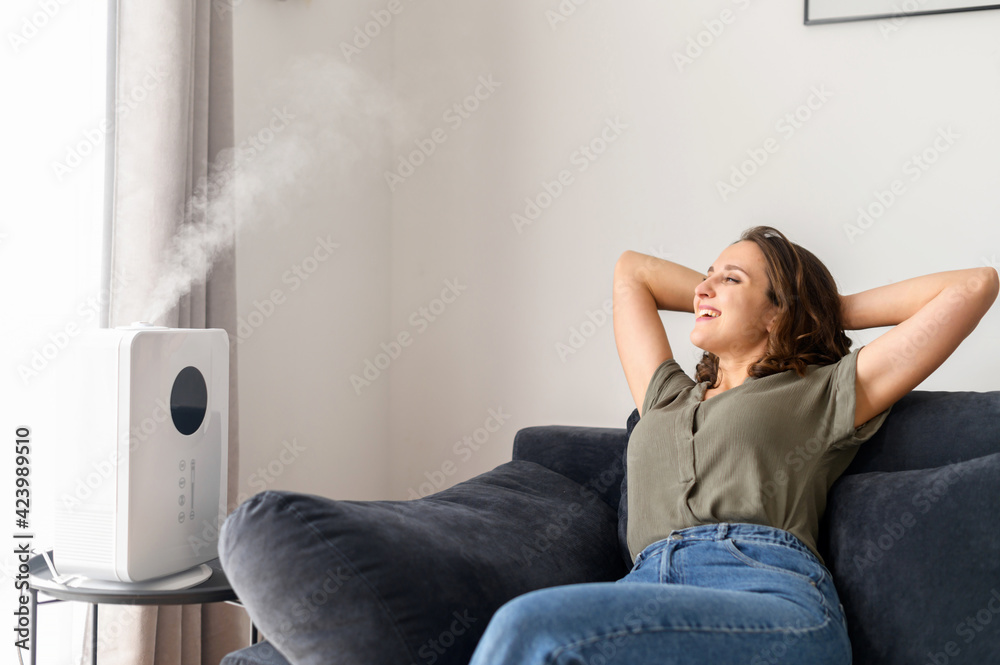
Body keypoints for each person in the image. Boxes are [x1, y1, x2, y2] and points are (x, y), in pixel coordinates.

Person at [468, 226, 999, 665]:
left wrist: (822, 307)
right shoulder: (665, 396)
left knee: (530, 627)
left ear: (777, 312)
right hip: (642, 594)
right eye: (707, 275)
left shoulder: (821, 391)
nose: (703, 288)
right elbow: (633, 271)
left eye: (730, 278)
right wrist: (725, 292)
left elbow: (974, 285)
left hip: (764, 595)